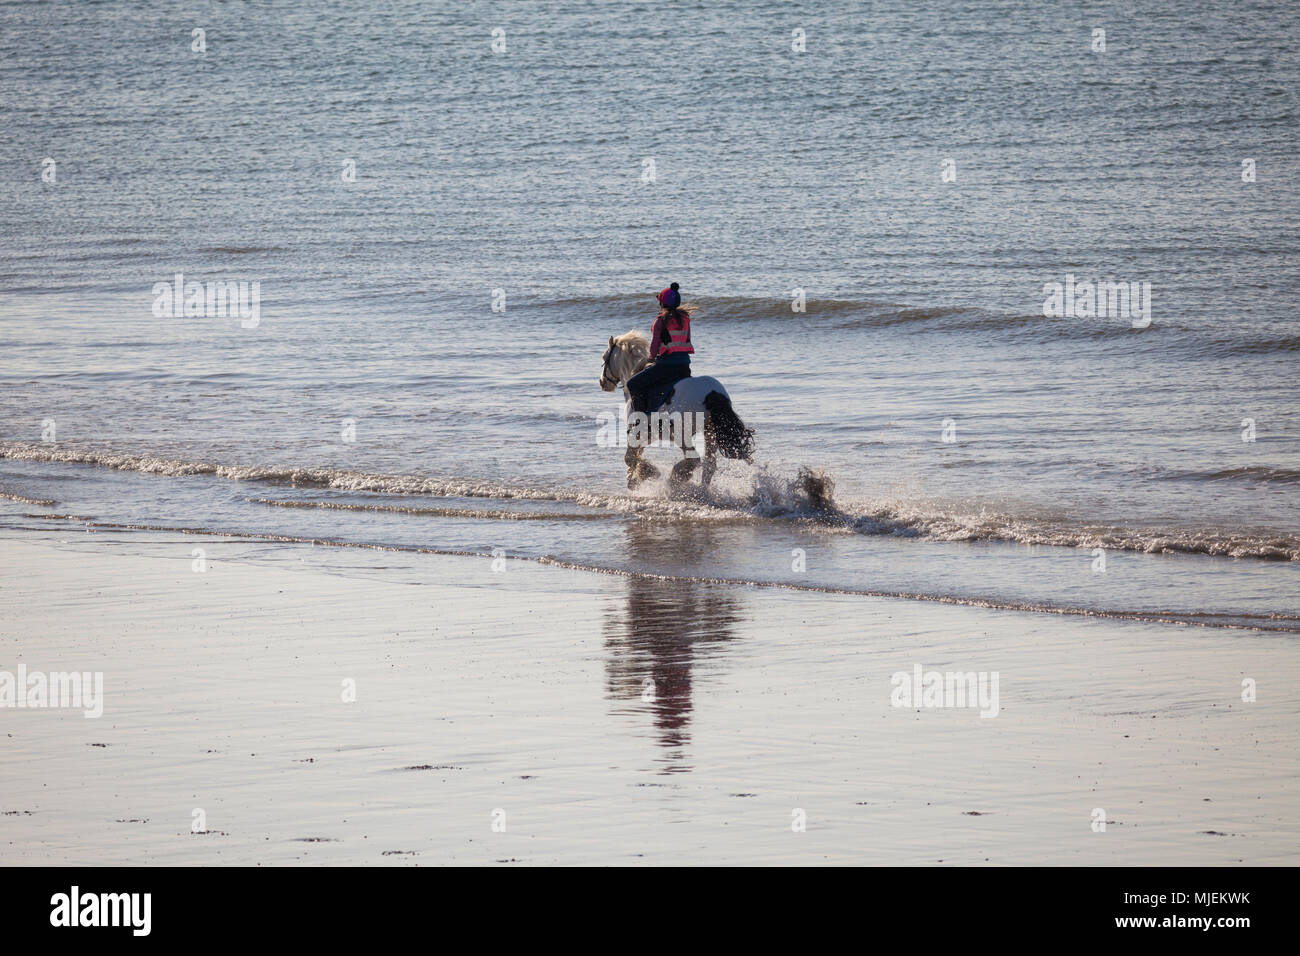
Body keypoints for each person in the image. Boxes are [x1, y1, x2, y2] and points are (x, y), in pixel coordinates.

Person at [627, 283, 692, 416]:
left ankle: (641, 421)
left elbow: (654, 346)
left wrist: (651, 358)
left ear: (662, 304)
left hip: (666, 366)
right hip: (685, 366)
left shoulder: (660, 321)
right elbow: (686, 340)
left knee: (632, 384)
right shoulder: (685, 319)